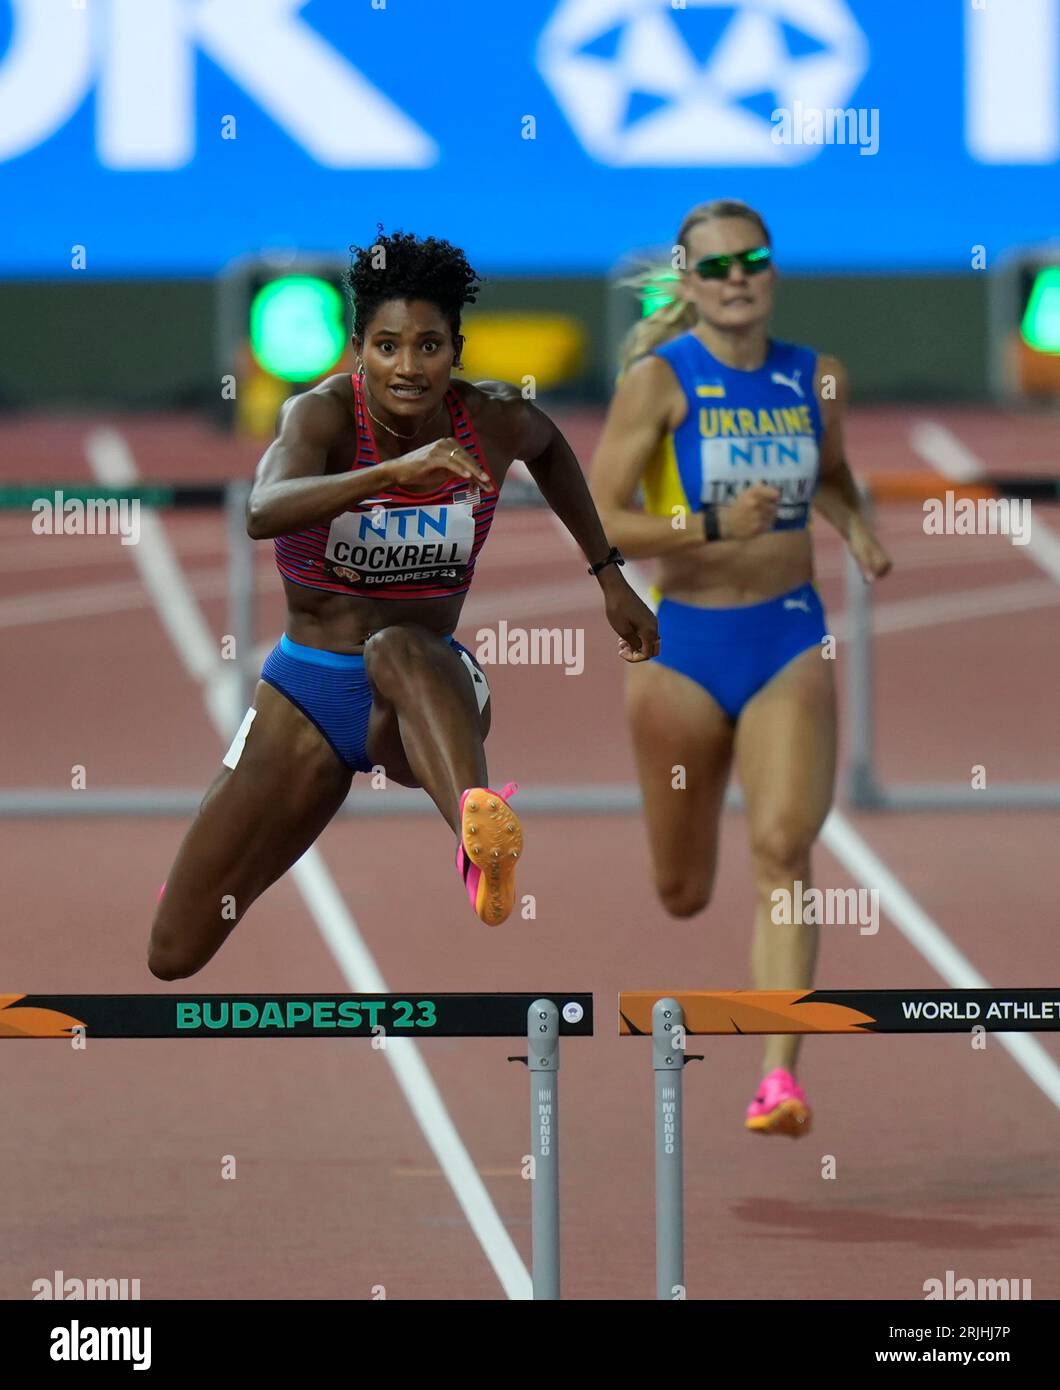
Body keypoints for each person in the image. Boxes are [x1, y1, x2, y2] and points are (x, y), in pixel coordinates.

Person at [149, 228, 657, 979]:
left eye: (429, 346)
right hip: (306, 692)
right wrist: (389, 476)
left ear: (457, 347)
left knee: (395, 647)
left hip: (425, 692)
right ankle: (233, 872)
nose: (408, 367)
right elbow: (262, 509)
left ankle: (479, 839)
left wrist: (610, 574)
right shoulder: (321, 417)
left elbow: (549, 449)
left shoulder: (489, 419)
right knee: (175, 951)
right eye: (388, 346)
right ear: (358, 348)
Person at [589, 200, 892, 1135]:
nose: (736, 280)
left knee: (784, 851)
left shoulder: (817, 378)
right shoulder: (658, 382)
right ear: (688, 282)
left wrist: (856, 528)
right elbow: (599, 519)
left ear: (772, 270)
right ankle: (690, 881)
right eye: (713, 268)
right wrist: (711, 525)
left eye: (750, 261)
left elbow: (831, 473)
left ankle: (778, 1077)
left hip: (788, 639)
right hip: (681, 648)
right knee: (683, 892)